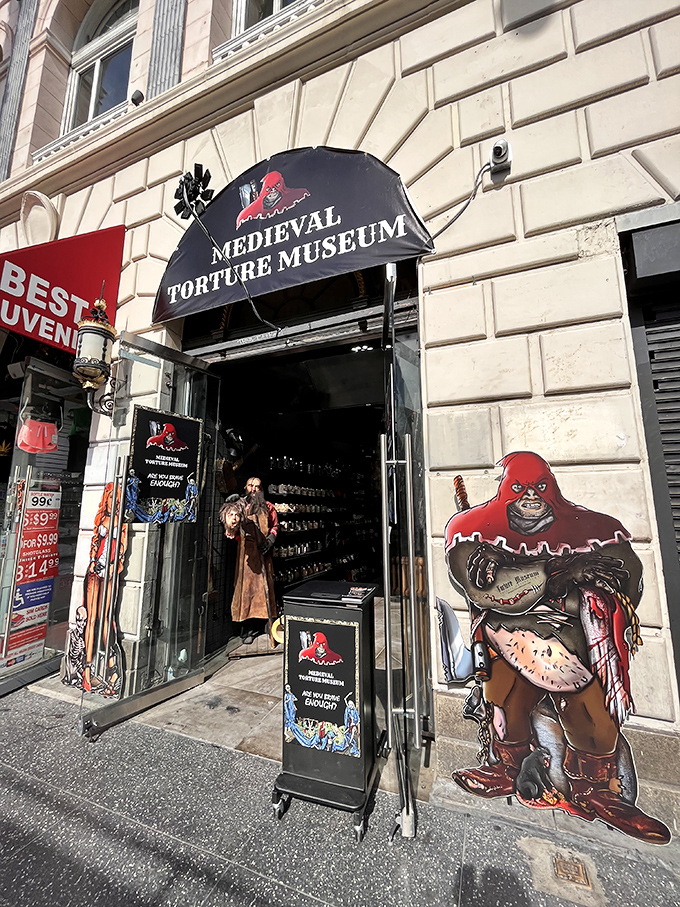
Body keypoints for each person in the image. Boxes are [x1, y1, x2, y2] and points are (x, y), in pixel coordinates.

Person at [444, 451, 670, 845]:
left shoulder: (595, 529)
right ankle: (506, 767)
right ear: (505, 491)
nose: (530, 497)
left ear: (553, 490)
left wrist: (554, 587)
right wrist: (556, 576)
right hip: (504, 638)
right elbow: (487, 589)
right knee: (505, 701)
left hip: (574, 646)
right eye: (519, 488)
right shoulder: (475, 533)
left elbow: (623, 578)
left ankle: (598, 792)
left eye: (539, 487)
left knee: (588, 708)